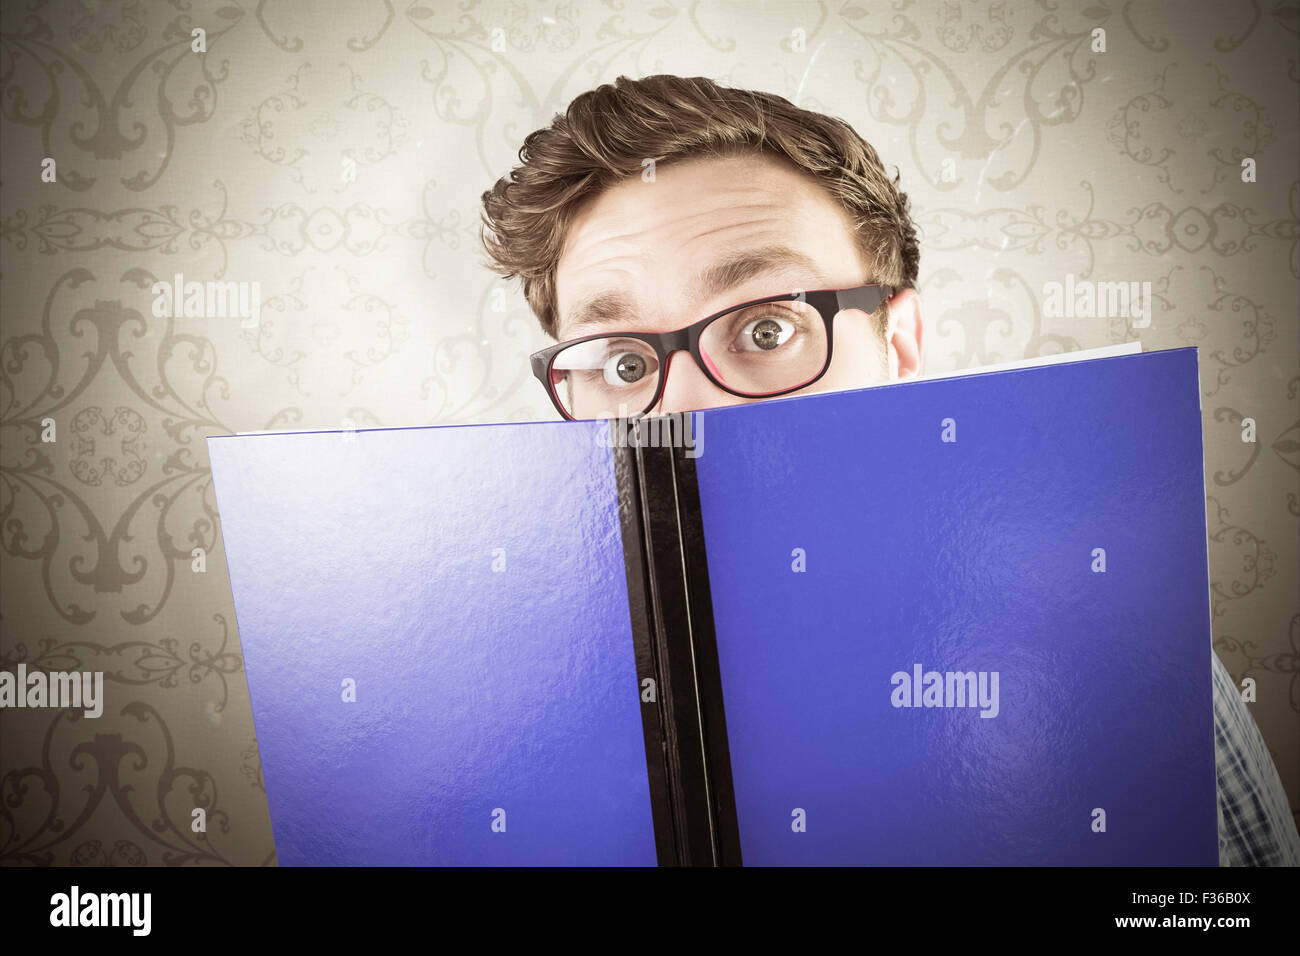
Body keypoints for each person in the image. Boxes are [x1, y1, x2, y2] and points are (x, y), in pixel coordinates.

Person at [479, 73, 1300, 865]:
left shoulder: (1119, 661)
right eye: (624, 366)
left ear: (896, 344)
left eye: (768, 330)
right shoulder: (491, 703)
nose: (690, 416)